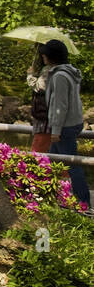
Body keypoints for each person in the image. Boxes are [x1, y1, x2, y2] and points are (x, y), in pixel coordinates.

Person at [41, 39, 88, 208]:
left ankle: (83, 204)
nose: (42, 56)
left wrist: (56, 130)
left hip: (65, 126)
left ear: (50, 56)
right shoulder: (70, 72)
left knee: (72, 165)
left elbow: (60, 105)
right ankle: (49, 197)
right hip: (73, 122)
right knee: (52, 162)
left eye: (44, 53)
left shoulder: (60, 76)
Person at [26, 45, 51, 154]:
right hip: (46, 115)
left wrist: (30, 75)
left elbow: (39, 87)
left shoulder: (49, 69)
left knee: (38, 150)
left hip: (44, 115)